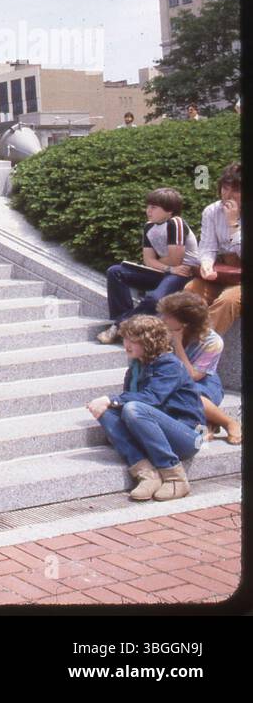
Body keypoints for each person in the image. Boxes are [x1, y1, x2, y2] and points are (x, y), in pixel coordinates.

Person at [85, 315, 205, 502]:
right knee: (104, 411)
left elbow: (152, 398)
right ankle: (147, 475)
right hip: (154, 433)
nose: (126, 344)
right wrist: (106, 407)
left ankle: (175, 477)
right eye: (125, 338)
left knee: (133, 408)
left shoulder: (169, 365)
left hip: (186, 435)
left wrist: (110, 399)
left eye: (133, 340)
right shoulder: (136, 367)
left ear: (150, 342)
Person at [96, 188, 200, 344]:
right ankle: (124, 324)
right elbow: (148, 260)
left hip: (182, 273)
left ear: (169, 211)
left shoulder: (175, 222)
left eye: (154, 207)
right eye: (148, 206)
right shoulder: (149, 227)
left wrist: (161, 264)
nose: (148, 211)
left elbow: (176, 259)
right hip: (167, 271)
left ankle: (119, 326)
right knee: (115, 272)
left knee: (155, 298)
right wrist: (165, 266)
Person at [157, 291, 239, 445]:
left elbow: (192, 376)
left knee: (191, 396)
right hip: (171, 378)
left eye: (168, 316)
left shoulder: (213, 341)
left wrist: (177, 343)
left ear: (185, 322)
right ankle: (209, 424)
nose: (163, 319)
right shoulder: (163, 330)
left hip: (203, 380)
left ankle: (229, 422)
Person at [184, 162, 241, 335]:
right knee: (190, 292)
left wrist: (233, 224)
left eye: (236, 190)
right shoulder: (212, 211)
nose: (228, 195)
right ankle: (179, 350)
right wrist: (206, 264)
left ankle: (202, 353)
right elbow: (208, 246)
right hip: (222, 272)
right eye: (225, 188)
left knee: (227, 301)